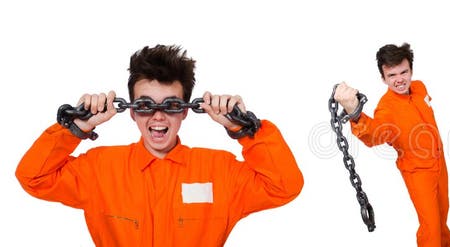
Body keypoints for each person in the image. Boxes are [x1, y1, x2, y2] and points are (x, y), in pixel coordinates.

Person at [15, 45, 304, 246]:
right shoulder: (99, 169)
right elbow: (33, 178)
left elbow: (285, 186)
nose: (158, 116)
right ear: (131, 110)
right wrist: (75, 128)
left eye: (171, 105)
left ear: (185, 110)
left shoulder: (221, 172)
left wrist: (244, 128)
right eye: (144, 105)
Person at [333, 43, 450, 247]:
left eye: (403, 72)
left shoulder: (420, 87)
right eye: (391, 75)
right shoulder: (386, 108)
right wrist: (355, 113)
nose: (399, 80)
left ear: (411, 70)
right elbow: (374, 134)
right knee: (430, 225)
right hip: (417, 171)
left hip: (440, 163)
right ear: (383, 78)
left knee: (442, 214)